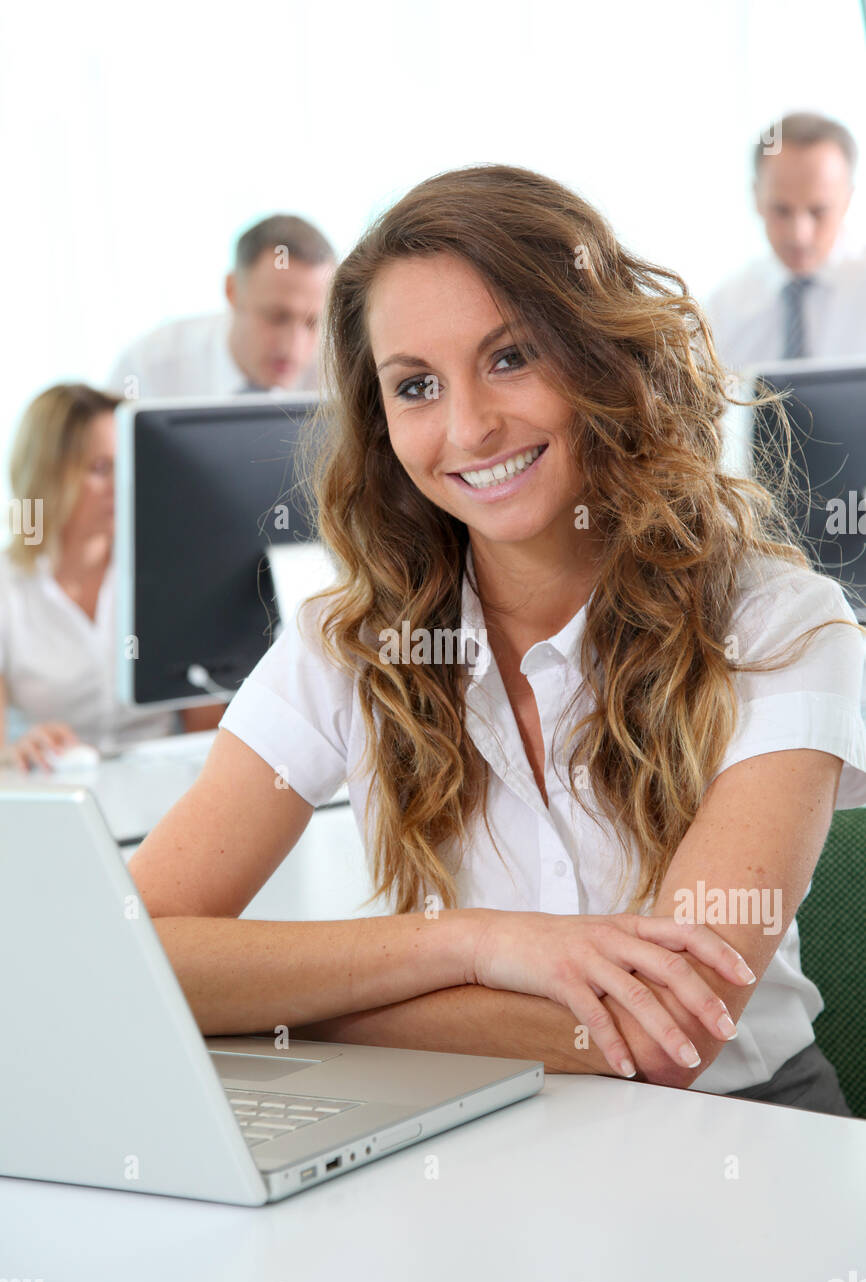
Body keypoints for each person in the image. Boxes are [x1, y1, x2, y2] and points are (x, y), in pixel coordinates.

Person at [127, 165, 866, 1118]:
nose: (469, 426)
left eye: (512, 357)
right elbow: (132, 951)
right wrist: (470, 942)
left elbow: (662, 1034)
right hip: (463, 1133)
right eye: (417, 385)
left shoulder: (778, 625)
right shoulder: (349, 642)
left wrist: (280, 1009)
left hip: (743, 1130)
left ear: (602, 355)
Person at [0, 384, 222, 770]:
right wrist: (15, 752)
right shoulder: (10, 587)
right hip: (55, 789)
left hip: (162, 796)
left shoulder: (172, 576)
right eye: (101, 469)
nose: (122, 484)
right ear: (47, 476)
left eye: (128, 464)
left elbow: (209, 735)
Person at [106, 215, 336, 400]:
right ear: (232, 290)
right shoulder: (148, 370)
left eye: (313, 323)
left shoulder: (341, 378)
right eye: (276, 317)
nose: (293, 347)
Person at [705, 112, 866, 371]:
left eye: (818, 211)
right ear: (756, 197)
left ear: (847, 200)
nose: (799, 235)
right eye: (781, 210)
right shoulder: (724, 309)